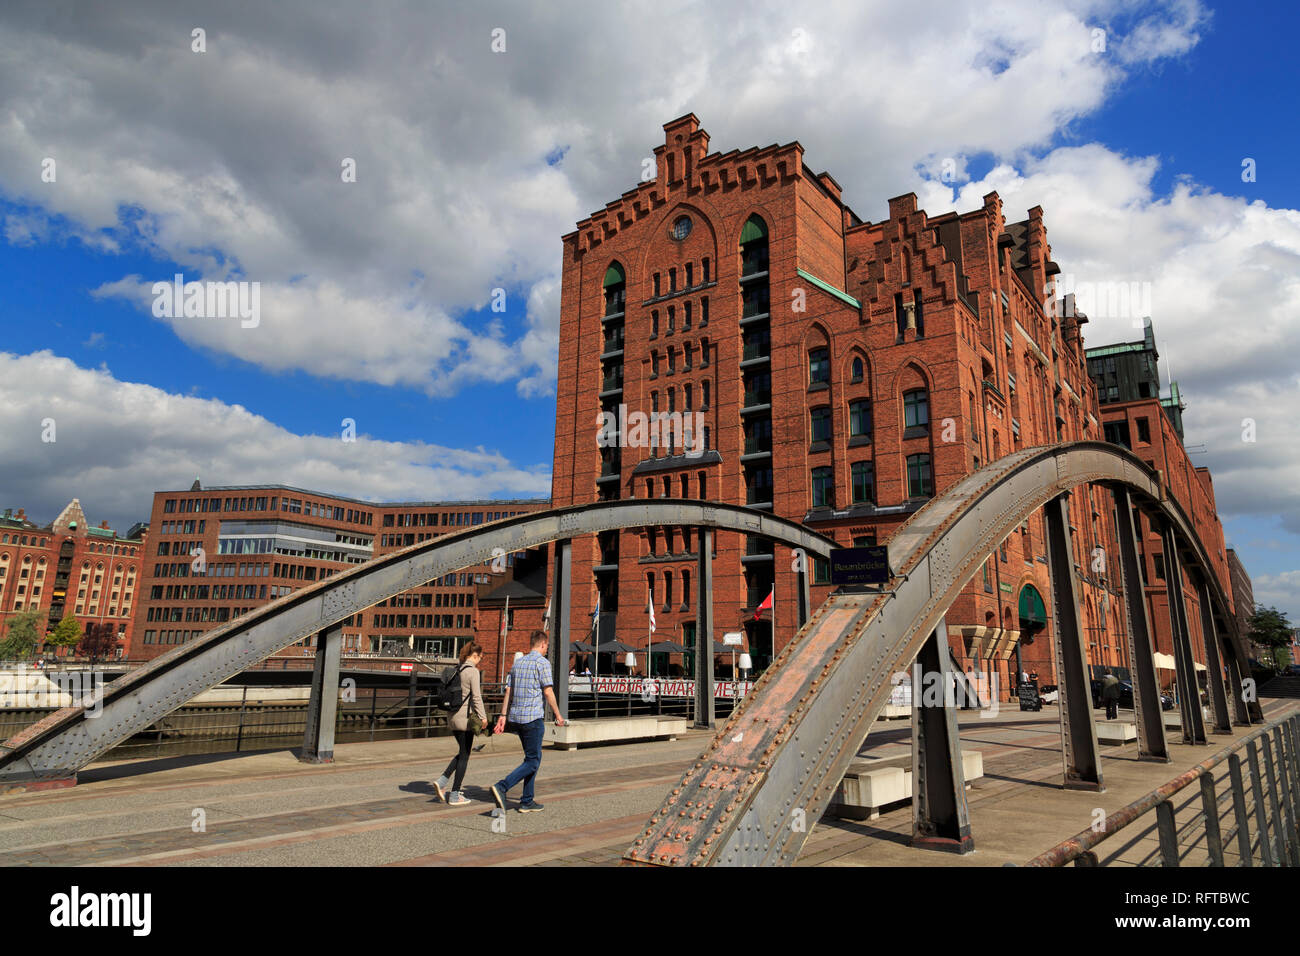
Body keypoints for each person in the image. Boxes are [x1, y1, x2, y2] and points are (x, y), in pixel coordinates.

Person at [490, 630, 566, 813]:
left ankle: (527, 800)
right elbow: (548, 692)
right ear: (542, 644)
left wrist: (503, 716)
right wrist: (558, 715)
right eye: (546, 646)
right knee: (533, 761)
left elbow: (509, 691)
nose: (547, 649)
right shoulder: (543, 663)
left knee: (531, 758)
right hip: (533, 719)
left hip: (517, 719)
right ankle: (502, 786)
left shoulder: (518, 663)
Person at [434, 642, 486, 807]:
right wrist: (483, 718)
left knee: (463, 752)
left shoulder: (456, 670)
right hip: (465, 719)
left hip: (452, 717)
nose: (480, 661)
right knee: (464, 756)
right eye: (480, 658)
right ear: (475, 655)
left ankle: (442, 781)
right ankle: (455, 794)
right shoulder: (473, 672)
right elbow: (476, 698)